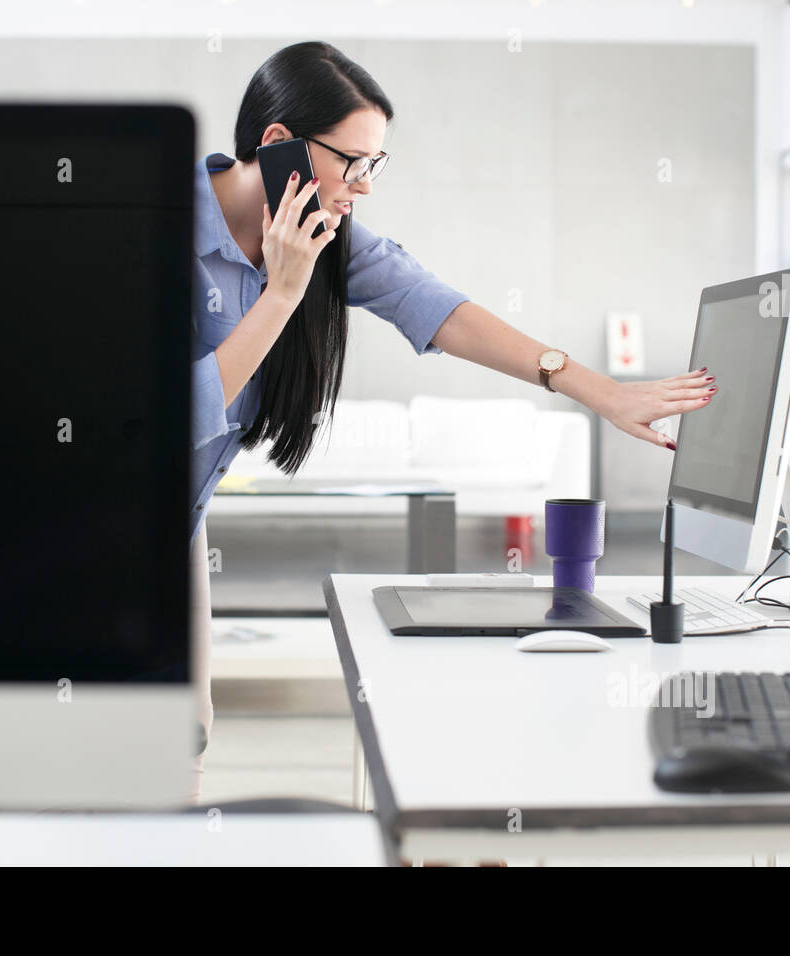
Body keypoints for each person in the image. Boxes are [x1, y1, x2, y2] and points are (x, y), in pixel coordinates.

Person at [187, 41, 716, 801]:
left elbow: (440, 309)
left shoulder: (325, 234)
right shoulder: (159, 224)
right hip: (100, 512)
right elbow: (174, 415)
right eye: (352, 161)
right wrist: (280, 295)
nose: (363, 187)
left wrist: (601, 393)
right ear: (278, 145)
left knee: (186, 736)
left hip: (182, 514)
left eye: (377, 165)